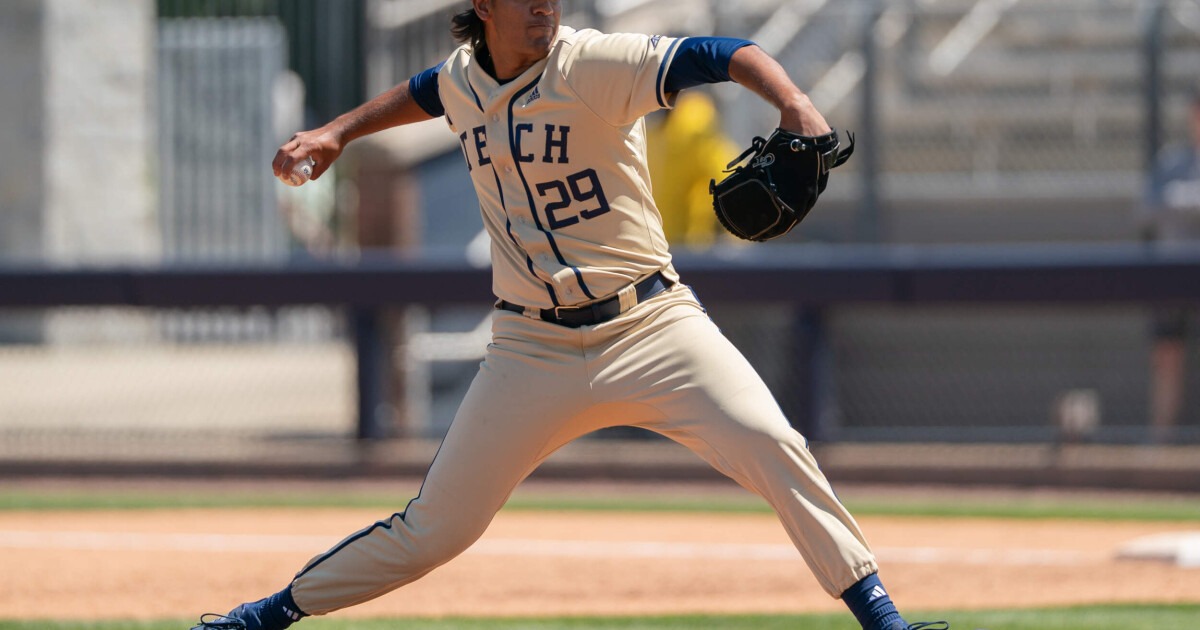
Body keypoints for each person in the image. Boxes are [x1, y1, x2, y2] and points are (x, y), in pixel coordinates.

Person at [196, 2, 948, 629]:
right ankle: (264, 617)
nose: (544, 8)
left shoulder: (593, 62)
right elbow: (428, 90)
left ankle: (885, 621)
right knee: (436, 529)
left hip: (651, 326)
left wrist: (794, 101)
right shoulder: (466, 79)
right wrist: (339, 131)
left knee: (773, 443)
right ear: (482, 7)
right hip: (531, 348)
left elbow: (723, 51)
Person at [1141, 83, 1200, 444]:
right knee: (1167, 355)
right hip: (1174, 276)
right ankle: (1160, 445)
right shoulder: (1171, 162)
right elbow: (1145, 209)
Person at [646, 90, 738, 249]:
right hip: (663, 247)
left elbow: (728, 181)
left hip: (685, 249)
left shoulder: (692, 124)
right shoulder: (649, 134)